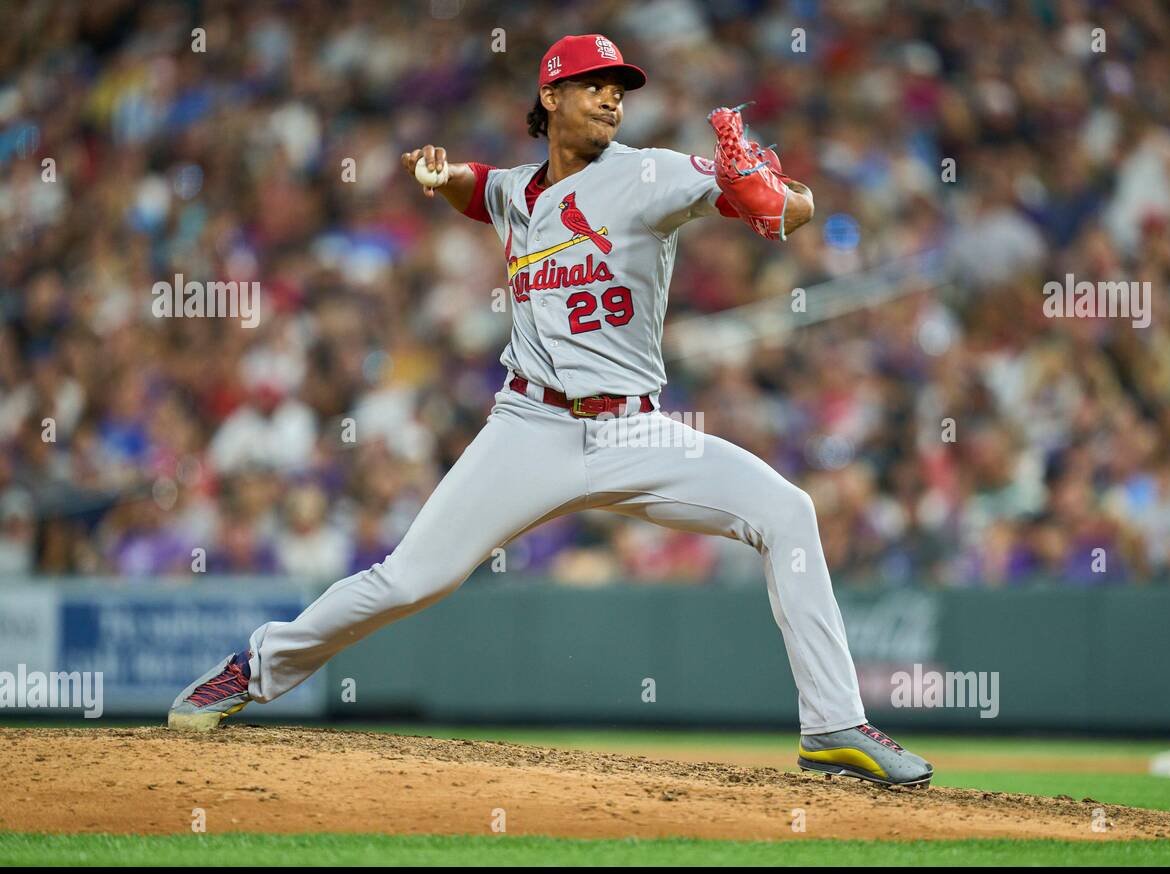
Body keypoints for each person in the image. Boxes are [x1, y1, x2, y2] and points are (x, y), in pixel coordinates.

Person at [168, 34, 932, 788]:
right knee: (410, 581)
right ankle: (250, 670)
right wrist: (444, 178)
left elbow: (785, 209)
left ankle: (833, 724)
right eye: (595, 83)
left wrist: (778, 195)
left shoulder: (650, 173)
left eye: (620, 87)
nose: (612, 97)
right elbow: (486, 189)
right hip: (529, 427)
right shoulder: (516, 191)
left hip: (635, 429)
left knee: (789, 513)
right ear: (551, 96)